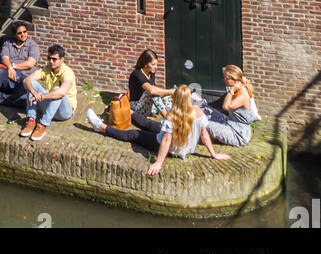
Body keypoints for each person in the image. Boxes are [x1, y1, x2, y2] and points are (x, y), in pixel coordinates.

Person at [86, 83, 230, 176]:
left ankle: (101, 127)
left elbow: (166, 140)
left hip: (172, 149)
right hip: (187, 148)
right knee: (150, 125)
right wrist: (213, 154)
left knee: (134, 134)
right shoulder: (198, 111)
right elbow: (204, 134)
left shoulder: (173, 116)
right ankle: (129, 113)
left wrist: (158, 162)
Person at [21, 44, 77, 140]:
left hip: (64, 112)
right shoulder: (47, 68)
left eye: (54, 59)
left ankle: (42, 125)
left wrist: (42, 97)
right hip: (50, 106)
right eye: (49, 58)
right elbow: (26, 80)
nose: (51, 62)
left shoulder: (68, 73)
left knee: (57, 90)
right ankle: (31, 120)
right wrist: (34, 93)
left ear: (62, 60)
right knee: (31, 83)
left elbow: (61, 92)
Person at [201, 66, 257, 147]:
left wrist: (231, 91)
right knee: (205, 109)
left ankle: (205, 139)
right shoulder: (237, 87)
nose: (224, 80)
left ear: (234, 80)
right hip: (229, 123)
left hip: (238, 134)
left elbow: (226, 106)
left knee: (205, 124)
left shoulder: (242, 95)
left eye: (226, 78)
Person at [128, 49, 174, 117]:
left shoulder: (151, 73)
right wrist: (171, 91)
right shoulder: (137, 74)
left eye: (156, 64)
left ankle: (176, 113)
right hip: (136, 108)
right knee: (152, 92)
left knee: (167, 97)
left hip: (148, 106)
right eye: (153, 64)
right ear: (145, 64)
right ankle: (168, 118)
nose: (156, 67)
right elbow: (151, 91)